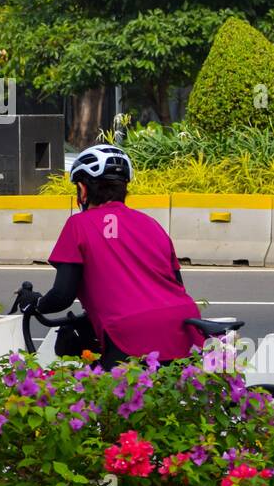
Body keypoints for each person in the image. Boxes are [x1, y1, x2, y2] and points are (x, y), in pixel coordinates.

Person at [21, 144, 202, 364]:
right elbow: (175, 284)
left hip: (130, 334)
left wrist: (35, 304)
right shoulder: (151, 224)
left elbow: (62, 295)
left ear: (83, 189)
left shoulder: (79, 225)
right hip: (183, 326)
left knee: (111, 395)